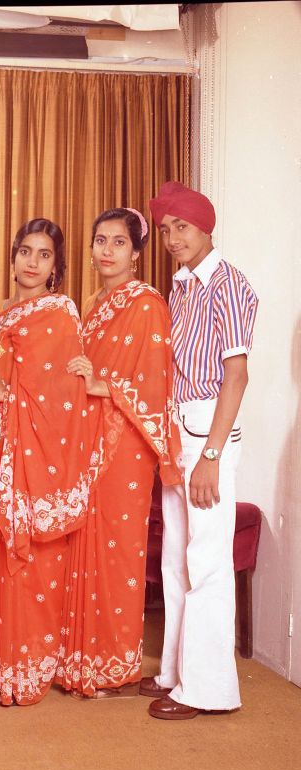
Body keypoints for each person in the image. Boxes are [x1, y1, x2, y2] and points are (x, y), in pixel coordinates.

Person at [0, 218, 111, 705]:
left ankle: (25, 669)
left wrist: (5, 391)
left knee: (32, 567)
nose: (31, 261)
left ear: (56, 266)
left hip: (34, 458)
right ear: (14, 255)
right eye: (25, 251)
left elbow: (63, 391)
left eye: (43, 254)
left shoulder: (59, 312)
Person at [140, 182, 257, 720]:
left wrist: (210, 456)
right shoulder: (182, 287)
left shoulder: (228, 284)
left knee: (207, 561)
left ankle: (208, 690)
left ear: (206, 227)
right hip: (177, 431)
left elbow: (236, 375)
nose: (172, 239)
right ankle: (175, 674)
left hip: (207, 431)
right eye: (165, 230)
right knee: (177, 555)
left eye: (181, 227)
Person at [58, 208, 181, 698]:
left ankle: (112, 664)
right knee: (85, 545)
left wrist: (98, 381)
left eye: (118, 243)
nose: (107, 250)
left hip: (125, 444)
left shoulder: (147, 303)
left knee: (117, 553)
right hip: (87, 438)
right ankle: (80, 658)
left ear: (135, 252)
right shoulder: (93, 302)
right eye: (100, 241)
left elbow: (153, 386)